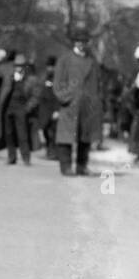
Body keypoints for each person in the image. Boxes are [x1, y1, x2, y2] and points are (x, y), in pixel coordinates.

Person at [52, 25, 103, 176]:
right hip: (70, 104)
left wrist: (95, 100)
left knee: (84, 137)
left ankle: (82, 165)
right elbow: (58, 82)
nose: (81, 44)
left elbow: (97, 83)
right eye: (78, 41)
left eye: (84, 41)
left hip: (87, 105)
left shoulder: (92, 61)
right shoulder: (65, 59)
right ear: (74, 42)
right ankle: (66, 166)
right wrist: (65, 96)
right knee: (66, 137)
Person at [0, 52, 41, 165]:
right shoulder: (9, 77)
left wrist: (27, 108)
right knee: (9, 134)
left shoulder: (31, 79)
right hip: (8, 108)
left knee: (22, 135)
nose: (18, 68)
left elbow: (35, 96)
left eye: (21, 66)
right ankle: (11, 157)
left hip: (21, 109)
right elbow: (3, 92)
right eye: (17, 65)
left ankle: (26, 158)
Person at [37, 56, 60, 159]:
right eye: (48, 66)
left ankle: (53, 152)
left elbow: (58, 95)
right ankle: (48, 150)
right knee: (45, 130)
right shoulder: (45, 77)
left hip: (53, 107)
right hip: (44, 108)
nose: (49, 68)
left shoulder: (58, 78)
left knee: (53, 132)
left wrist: (57, 109)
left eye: (51, 66)